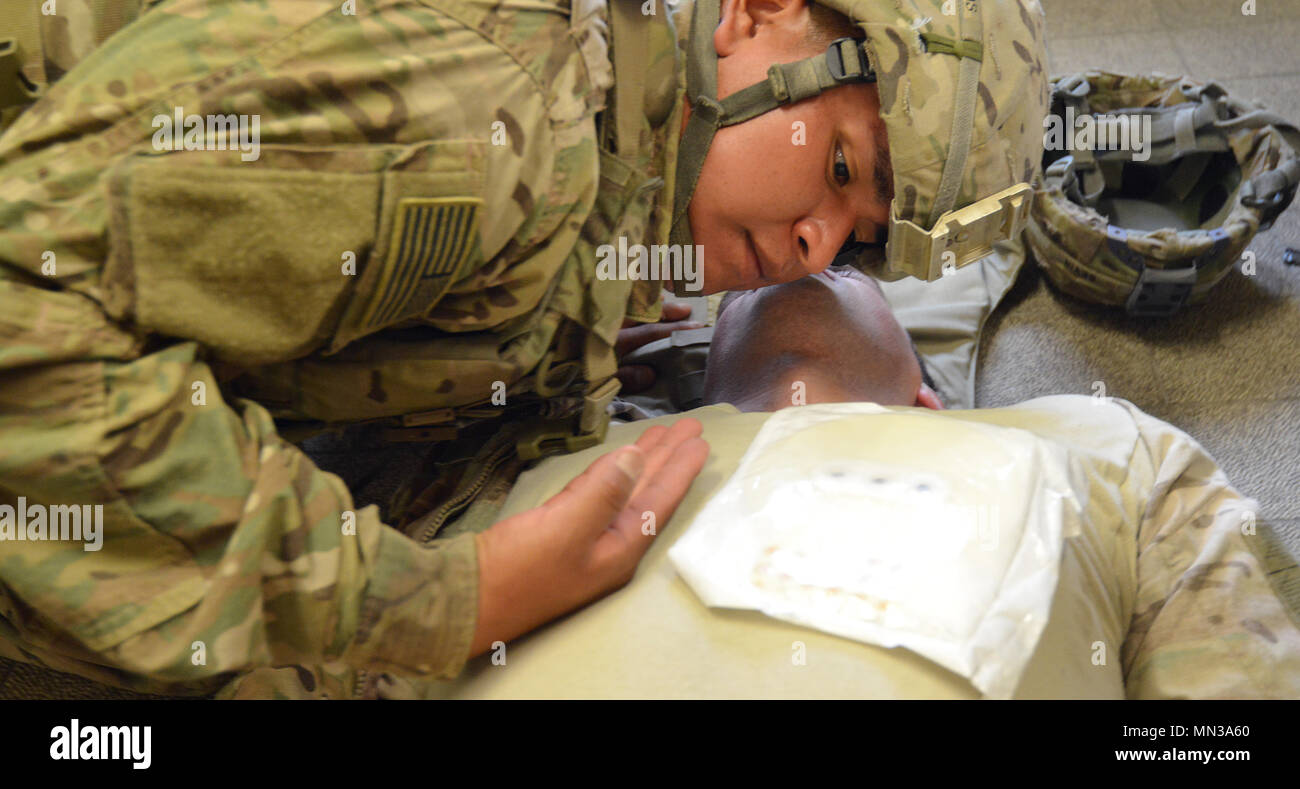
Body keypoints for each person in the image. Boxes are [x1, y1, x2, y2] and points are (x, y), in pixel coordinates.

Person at [0, 0, 1048, 696]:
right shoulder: (491, 95)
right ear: (759, 9)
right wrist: (458, 599)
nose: (816, 246)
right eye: (836, 166)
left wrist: (558, 321)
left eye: (858, 238)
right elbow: (25, 325)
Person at [424, 265, 1300, 699]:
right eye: (739, 292)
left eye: (852, 267)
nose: (811, 259)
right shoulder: (553, 458)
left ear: (928, 398)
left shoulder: (1100, 441)